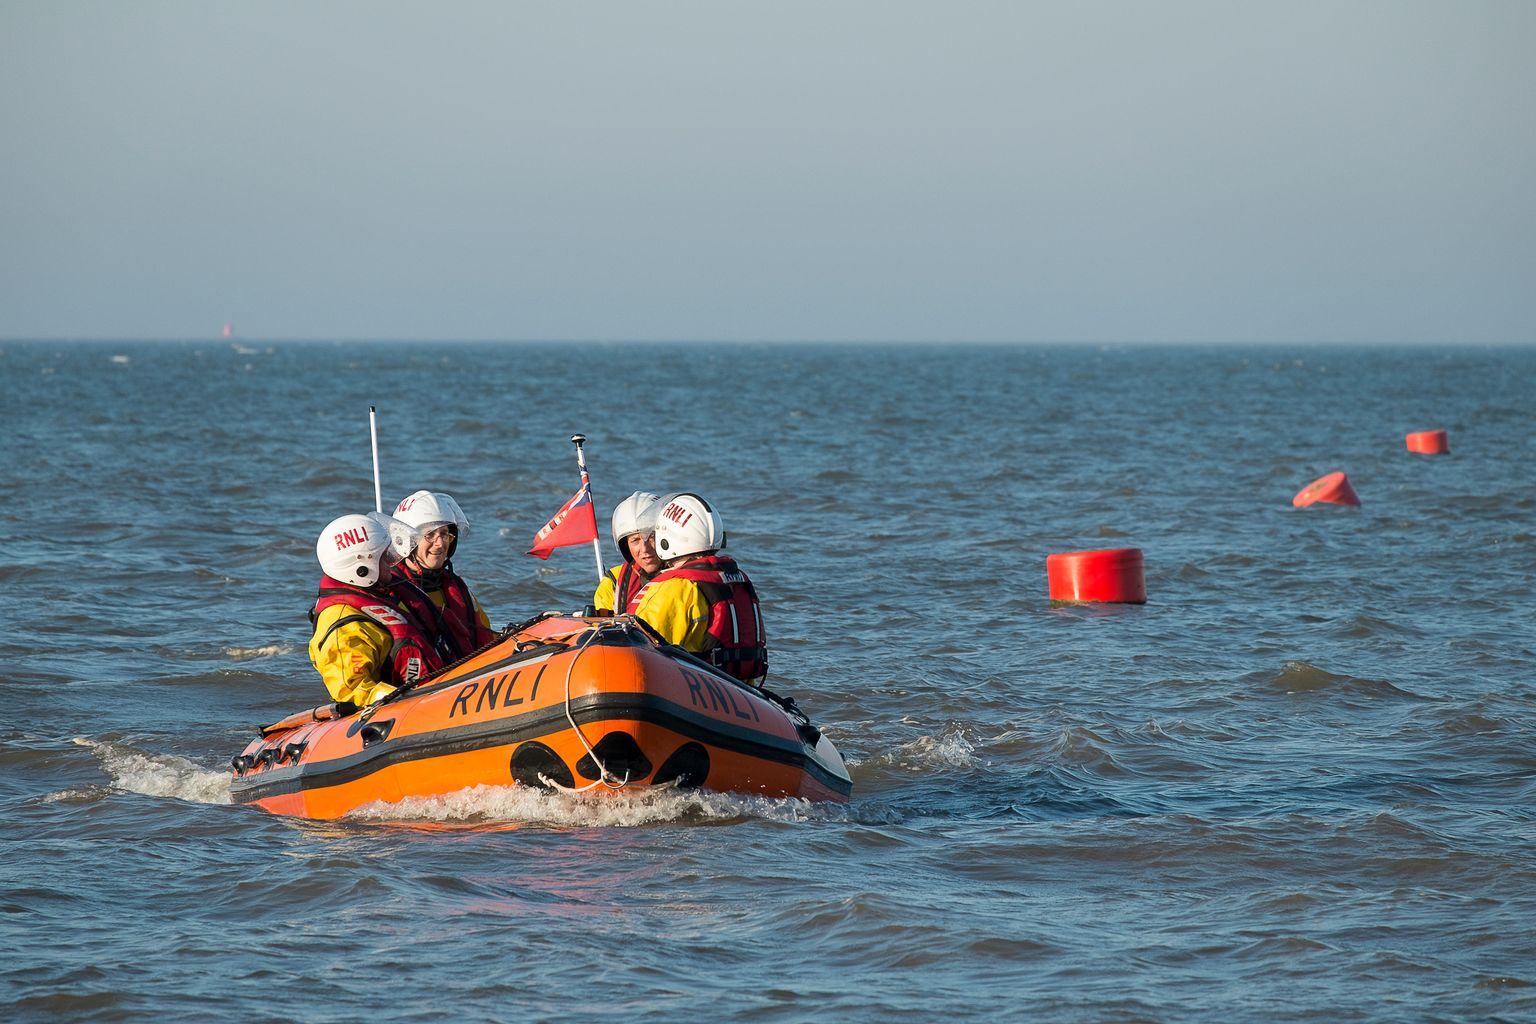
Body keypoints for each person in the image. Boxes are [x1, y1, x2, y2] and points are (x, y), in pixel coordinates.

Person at [627, 492, 768, 686]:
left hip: (693, 690)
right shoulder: (735, 579)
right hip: (741, 690)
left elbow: (637, 646)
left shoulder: (675, 587)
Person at [309, 512, 444, 710]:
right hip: (403, 712)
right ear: (362, 567)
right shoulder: (345, 626)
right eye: (384, 557)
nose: (392, 562)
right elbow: (353, 690)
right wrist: (406, 699)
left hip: (437, 691)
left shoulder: (387, 596)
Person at [391, 489, 497, 660]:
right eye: (430, 535)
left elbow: (487, 636)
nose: (440, 543)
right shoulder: (390, 594)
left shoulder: (458, 589)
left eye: (445, 534)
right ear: (405, 540)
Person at [592, 490, 663, 615]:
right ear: (626, 547)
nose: (645, 549)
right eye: (635, 540)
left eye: (651, 538)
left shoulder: (684, 581)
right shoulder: (612, 584)